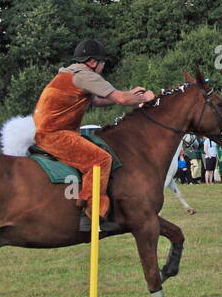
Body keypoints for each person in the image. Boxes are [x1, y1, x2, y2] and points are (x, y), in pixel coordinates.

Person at [32, 39, 155, 227]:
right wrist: (145, 98)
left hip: (50, 130)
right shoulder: (85, 76)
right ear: (91, 62)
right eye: (102, 61)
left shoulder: (70, 73)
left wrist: (129, 93)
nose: (103, 65)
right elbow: (121, 99)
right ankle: (91, 212)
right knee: (101, 159)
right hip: (54, 134)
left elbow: (98, 101)